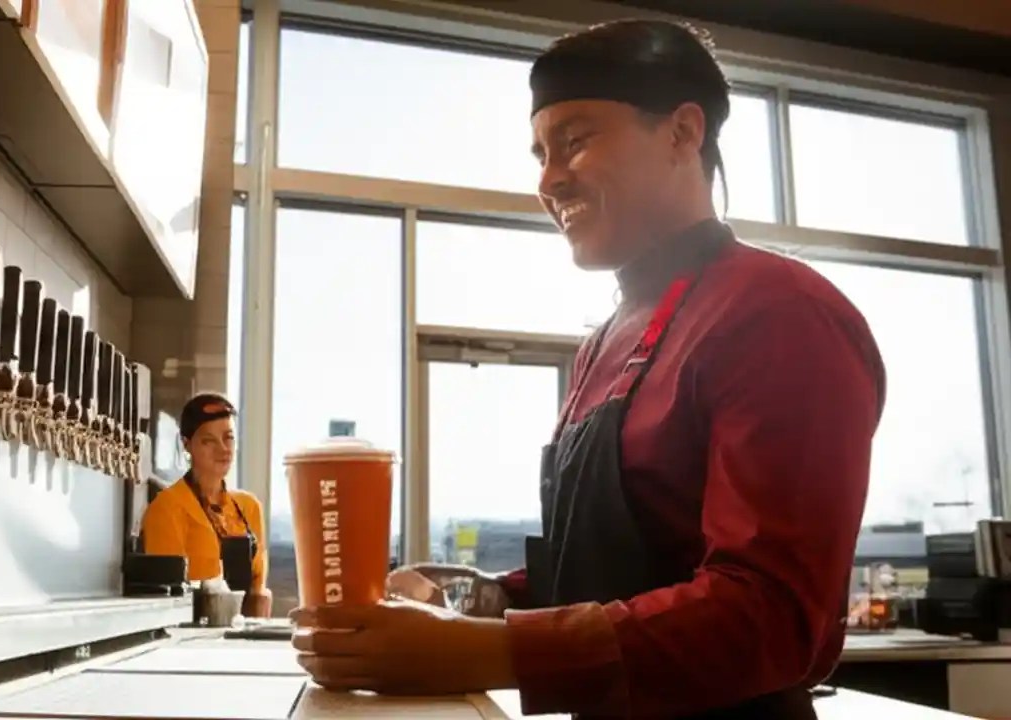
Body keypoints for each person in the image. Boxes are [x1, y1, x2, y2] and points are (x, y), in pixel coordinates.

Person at [292, 18, 885, 719]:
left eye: (575, 141)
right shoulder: (603, 341)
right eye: (540, 153)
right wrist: (478, 598)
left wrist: (483, 651)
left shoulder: (778, 311)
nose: (548, 180)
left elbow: (774, 613)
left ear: (683, 132)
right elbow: (609, 572)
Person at [142, 392, 272, 617]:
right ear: (187, 445)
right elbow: (165, 600)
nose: (223, 449)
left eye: (228, 438)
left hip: (242, 636)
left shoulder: (249, 507)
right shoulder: (167, 508)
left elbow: (258, 591)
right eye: (208, 441)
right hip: (190, 637)